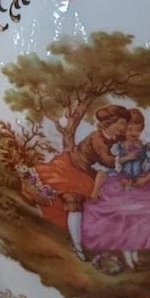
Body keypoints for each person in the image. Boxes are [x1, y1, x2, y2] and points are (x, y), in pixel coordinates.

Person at [24, 104, 132, 260]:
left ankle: (104, 241)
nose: (123, 127)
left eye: (125, 124)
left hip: (88, 173)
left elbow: (121, 147)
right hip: (71, 168)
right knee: (74, 202)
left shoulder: (115, 138)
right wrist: (127, 158)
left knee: (108, 202)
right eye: (121, 124)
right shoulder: (97, 138)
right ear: (109, 123)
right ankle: (77, 246)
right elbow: (107, 160)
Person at [79, 108, 150, 269]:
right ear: (123, 128)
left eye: (138, 130)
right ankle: (128, 257)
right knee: (124, 212)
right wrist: (96, 190)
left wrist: (145, 179)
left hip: (140, 183)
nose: (133, 133)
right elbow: (104, 170)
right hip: (117, 184)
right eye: (130, 128)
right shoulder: (115, 148)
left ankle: (134, 255)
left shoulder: (146, 147)